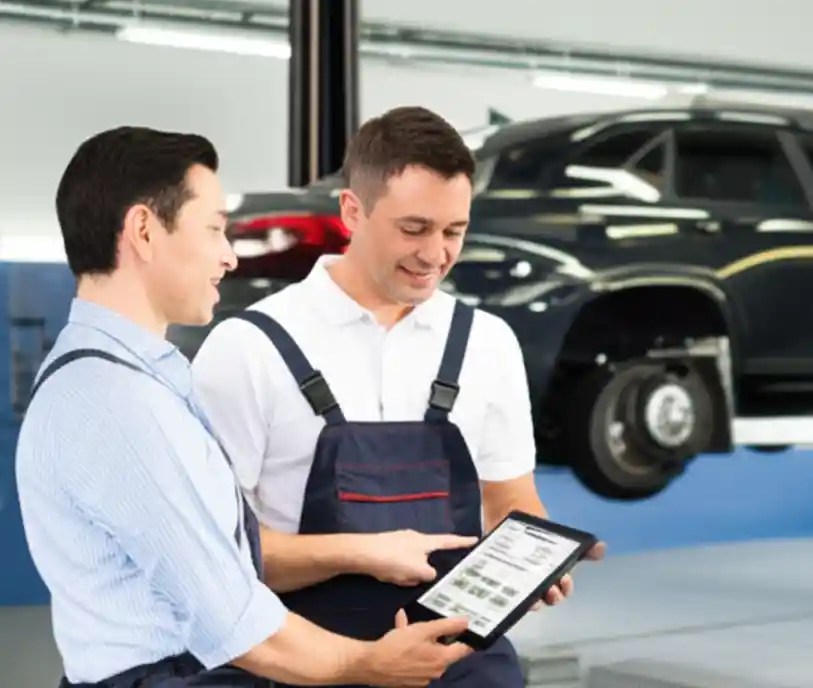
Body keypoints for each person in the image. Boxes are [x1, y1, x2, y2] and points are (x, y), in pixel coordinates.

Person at [15, 125, 477, 687]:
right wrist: (368, 663)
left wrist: (366, 551)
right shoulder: (119, 404)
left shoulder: (123, 377)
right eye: (213, 229)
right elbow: (236, 623)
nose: (229, 257)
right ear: (143, 230)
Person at [191, 105, 604, 687]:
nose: (435, 254)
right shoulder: (246, 350)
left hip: (458, 656)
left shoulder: (487, 344)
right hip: (302, 656)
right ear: (352, 211)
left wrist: (535, 559)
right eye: (414, 229)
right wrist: (363, 552)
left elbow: (512, 498)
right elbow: (214, 560)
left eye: (453, 231)